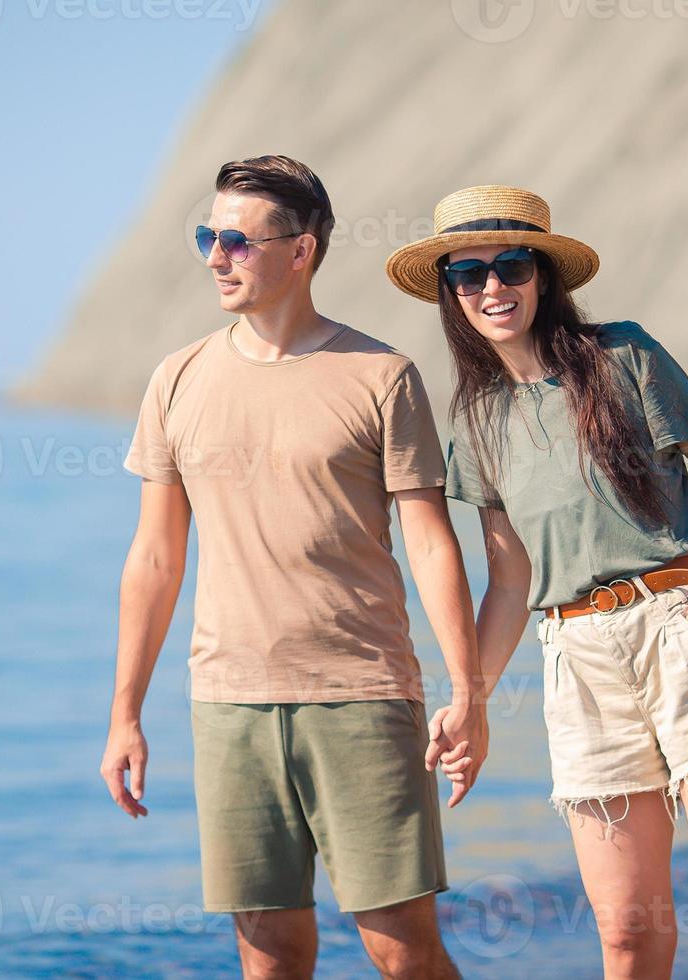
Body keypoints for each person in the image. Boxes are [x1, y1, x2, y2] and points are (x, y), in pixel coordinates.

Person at [386, 185, 688, 977]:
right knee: (628, 936)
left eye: (511, 265)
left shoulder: (625, 356)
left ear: (544, 276)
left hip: (686, 632)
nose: (493, 288)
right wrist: (469, 699)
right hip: (579, 665)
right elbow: (510, 581)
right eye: (468, 274)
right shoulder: (477, 421)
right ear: (450, 293)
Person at [101, 155, 486, 979]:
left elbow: (429, 541)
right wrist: (124, 712)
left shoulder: (381, 376)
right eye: (209, 237)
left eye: (236, 241)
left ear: (301, 250)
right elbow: (156, 557)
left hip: (363, 694)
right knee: (269, 953)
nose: (215, 256)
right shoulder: (177, 379)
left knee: (401, 949)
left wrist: (469, 691)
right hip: (228, 703)